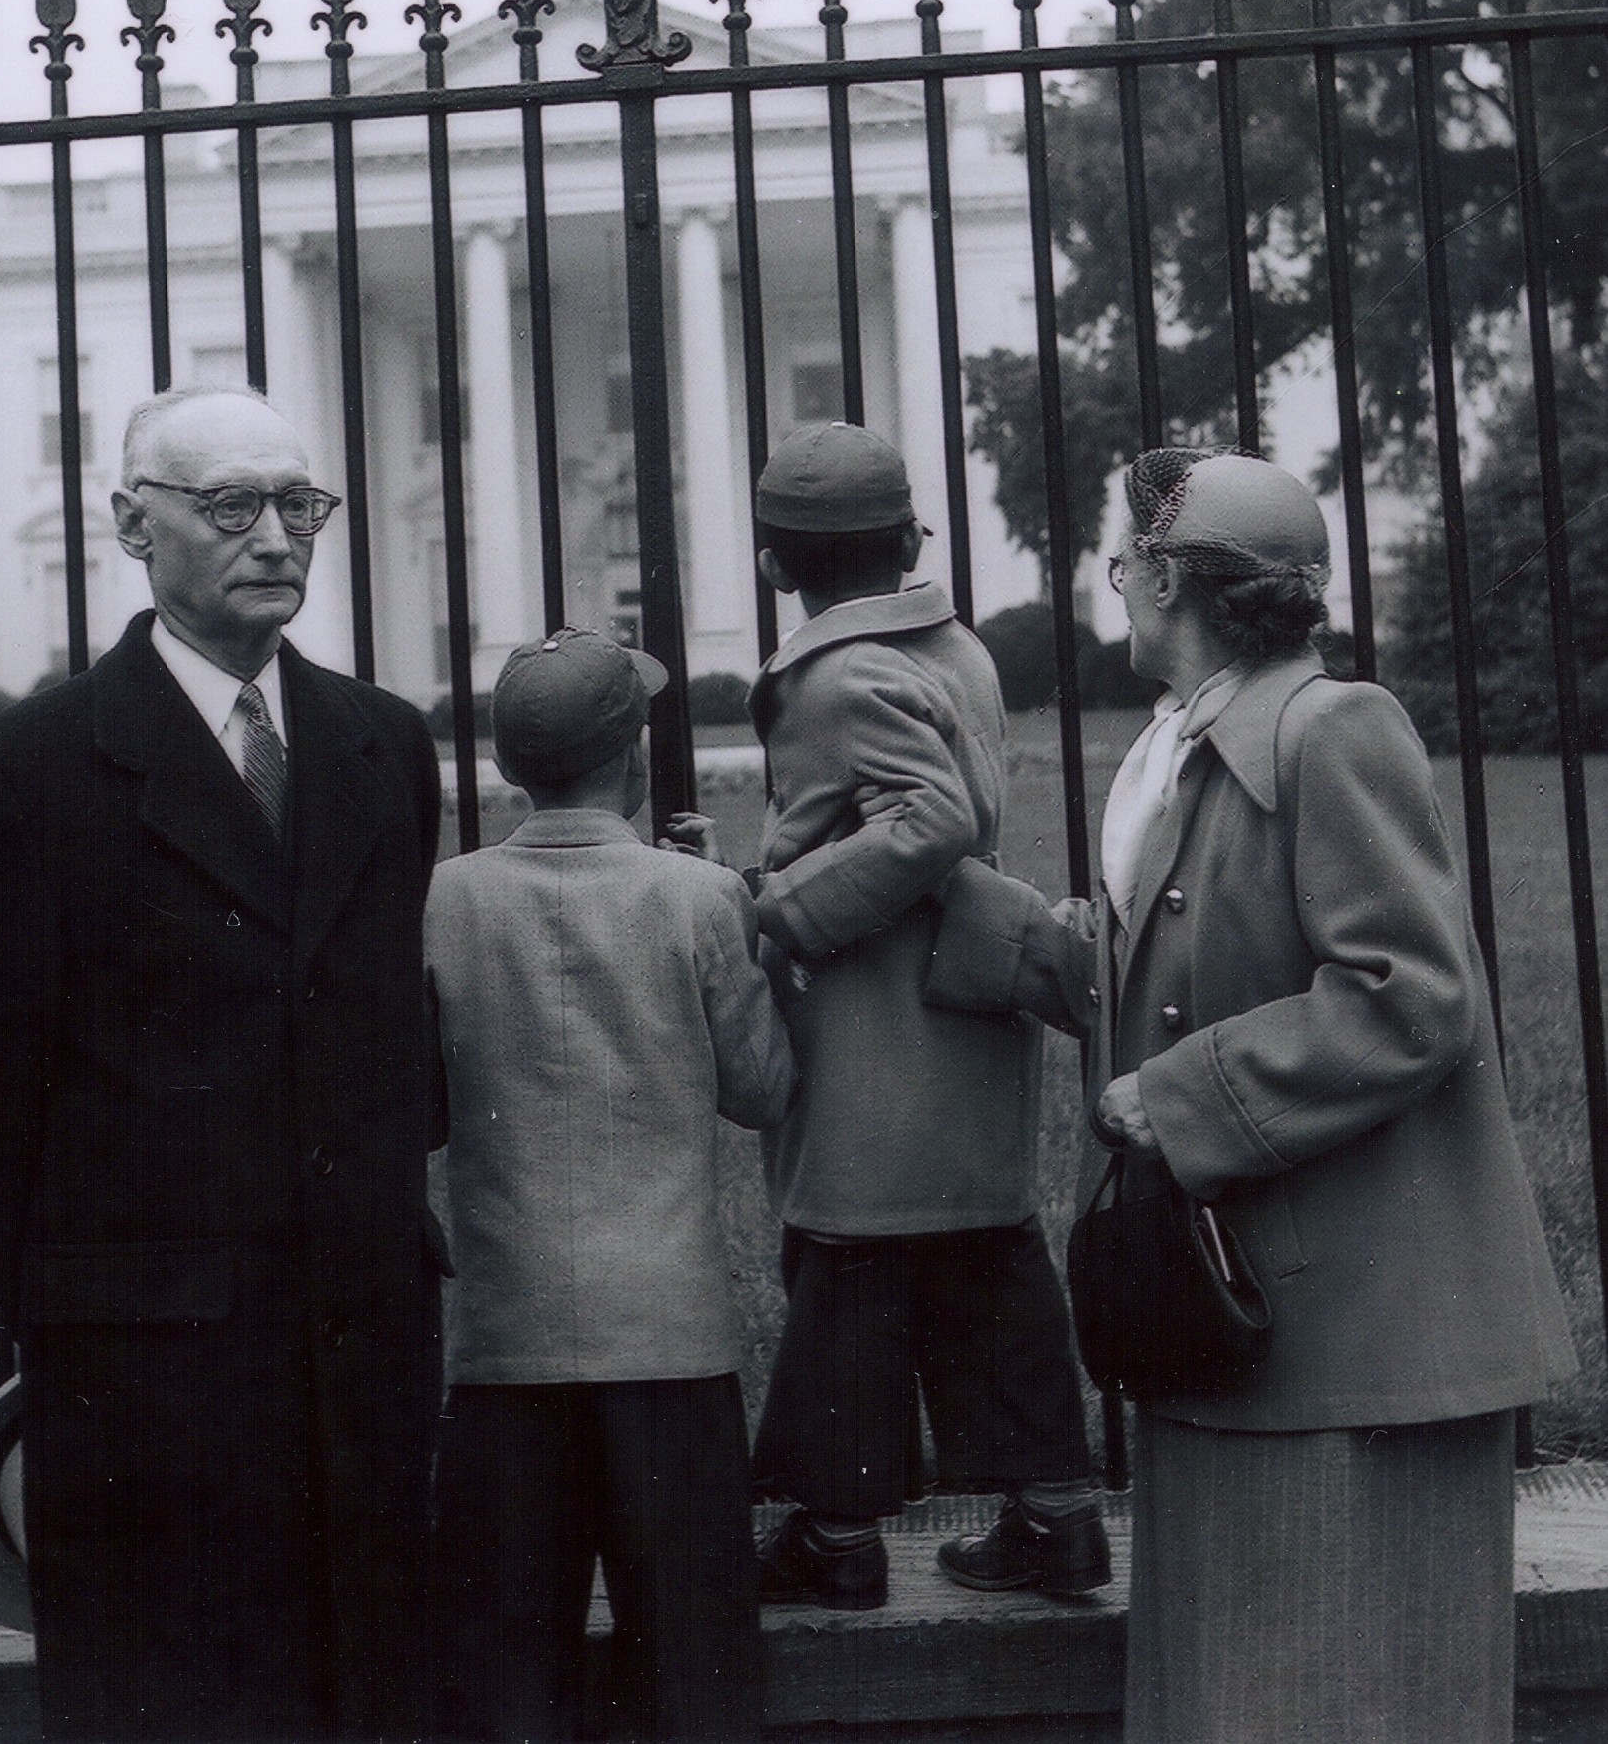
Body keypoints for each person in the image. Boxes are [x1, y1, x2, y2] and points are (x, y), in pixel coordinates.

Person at [959, 448, 1576, 1742]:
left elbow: (1409, 995)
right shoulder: (1179, 748)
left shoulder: (1326, 727)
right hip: (1248, 1325)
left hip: (1355, 1341)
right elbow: (1175, 962)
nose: (1112, 582)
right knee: (1248, 1696)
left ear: (1170, 577)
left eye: (1122, 560)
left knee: (1334, 1698)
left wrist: (1176, 1097)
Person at [0, 385, 446, 1742]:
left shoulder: (384, 746)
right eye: (231, 505)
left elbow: (376, 1025)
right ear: (134, 524)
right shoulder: (15, 774)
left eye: (297, 505)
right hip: (140, 1378)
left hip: (362, 1347)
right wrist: (82, 1278)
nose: (276, 538)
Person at [672, 420, 1105, 1612]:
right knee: (986, 1249)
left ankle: (835, 1537)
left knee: (851, 1260)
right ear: (910, 534)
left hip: (877, 1007)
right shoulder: (951, 643)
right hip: (960, 995)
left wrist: (784, 909)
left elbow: (926, 822)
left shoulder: (838, 670)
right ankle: (1057, 1520)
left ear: (774, 561)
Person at [425, 626, 794, 1741]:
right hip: (667, 1340)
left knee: (504, 1674)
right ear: (634, 755)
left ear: (504, 764)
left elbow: (422, 1106)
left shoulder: (441, 899)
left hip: (504, 1342)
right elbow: (763, 1088)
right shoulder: (693, 895)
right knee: (695, 1677)